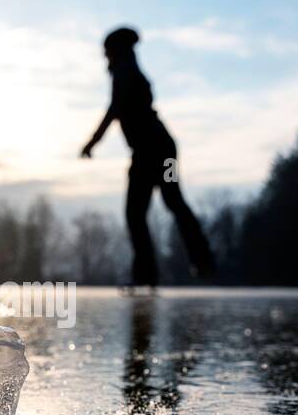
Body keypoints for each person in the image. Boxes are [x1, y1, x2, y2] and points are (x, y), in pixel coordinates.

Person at [81, 27, 213, 287]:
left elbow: (114, 109)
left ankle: (151, 273)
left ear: (114, 51)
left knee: (139, 212)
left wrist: (92, 143)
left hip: (151, 152)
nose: (105, 57)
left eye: (107, 52)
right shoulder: (129, 70)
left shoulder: (123, 71)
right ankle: (201, 262)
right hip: (162, 150)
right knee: (169, 203)